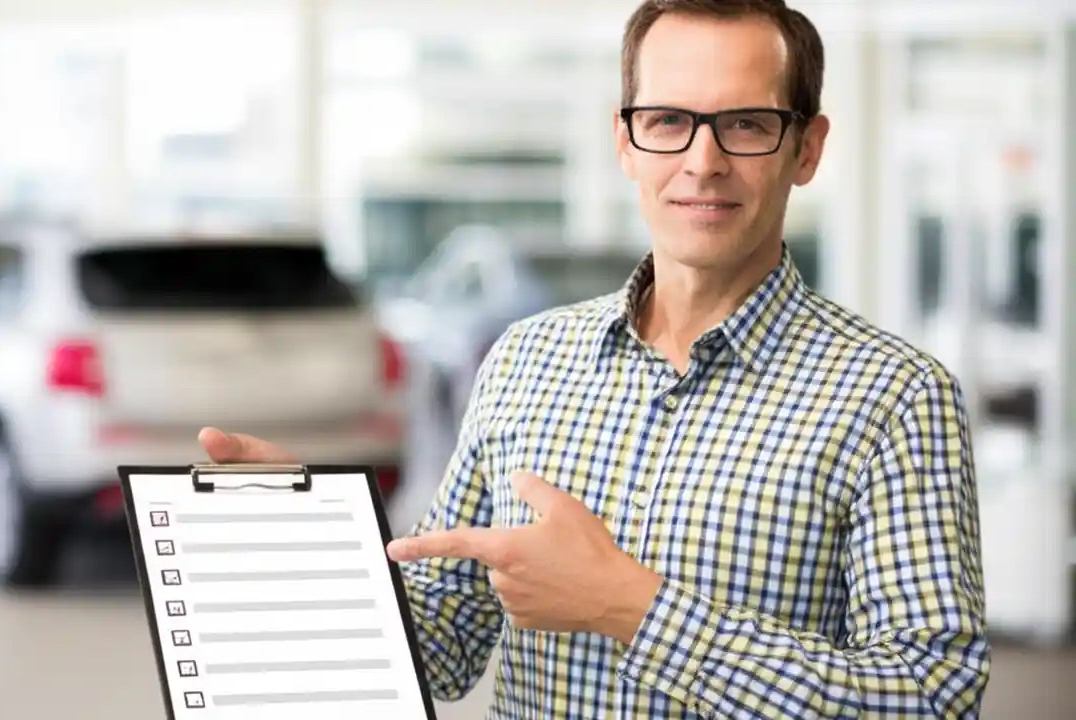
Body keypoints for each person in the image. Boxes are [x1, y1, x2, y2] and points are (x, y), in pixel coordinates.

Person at [199, 0, 991, 716]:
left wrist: (632, 608)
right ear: (625, 141)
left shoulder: (895, 396)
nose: (702, 160)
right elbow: (442, 642)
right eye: (668, 120)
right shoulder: (526, 359)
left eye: (747, 124)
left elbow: (930, 697)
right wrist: (321, 546)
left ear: (807, 148)